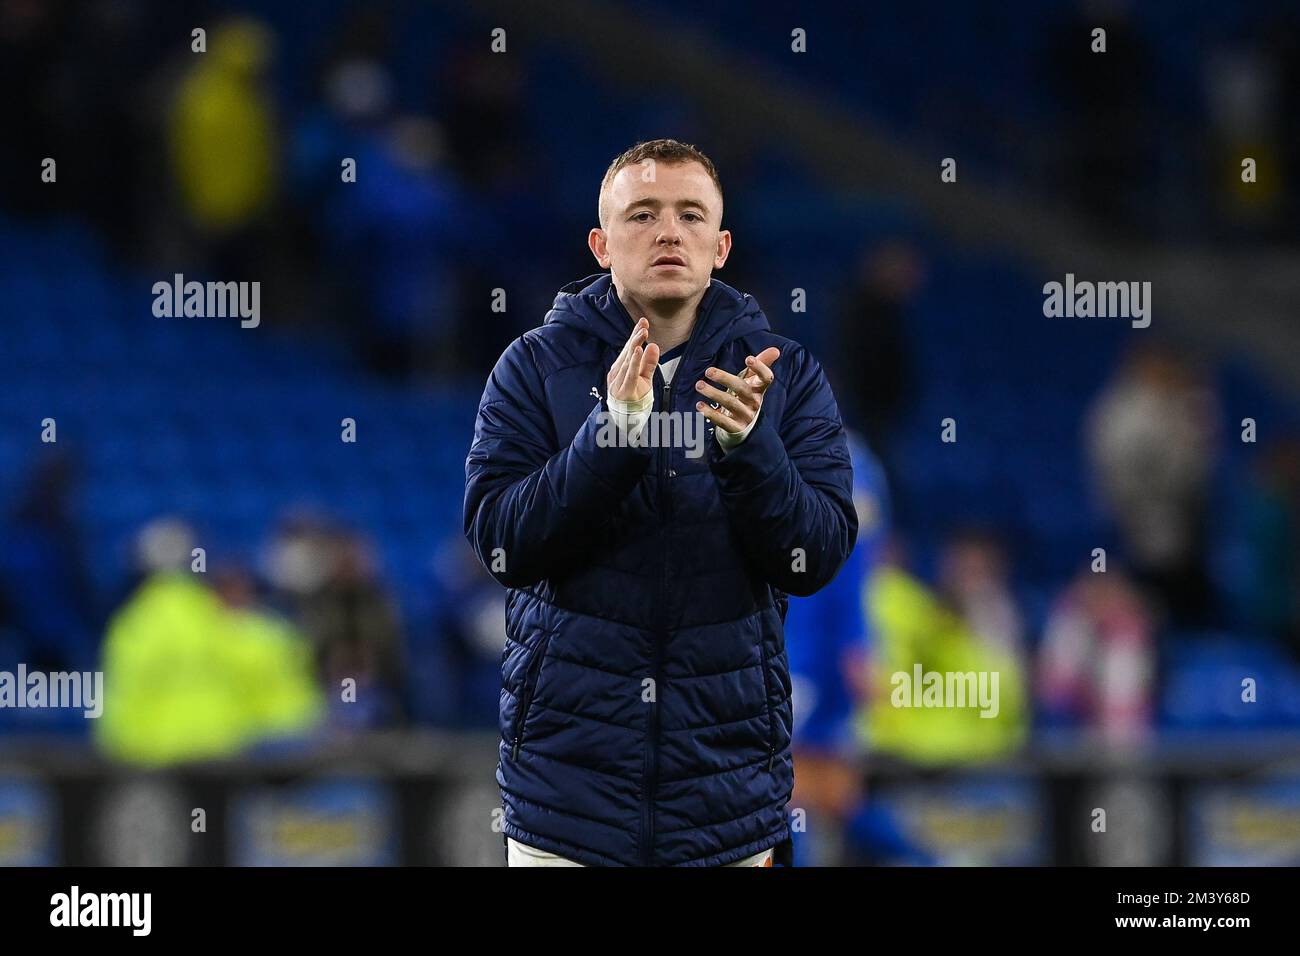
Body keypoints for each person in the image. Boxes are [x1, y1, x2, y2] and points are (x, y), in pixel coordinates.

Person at [463, 139, 858, 866]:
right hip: (566, 804)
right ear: (601, 244)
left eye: (690, 215)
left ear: (721, 245)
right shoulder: (531, 367)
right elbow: (501, 545)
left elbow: (816, 556)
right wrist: (614, 433)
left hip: (728, 802)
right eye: (642, 214)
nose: (668, 232)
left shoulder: (788, 377)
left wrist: (751, 452)